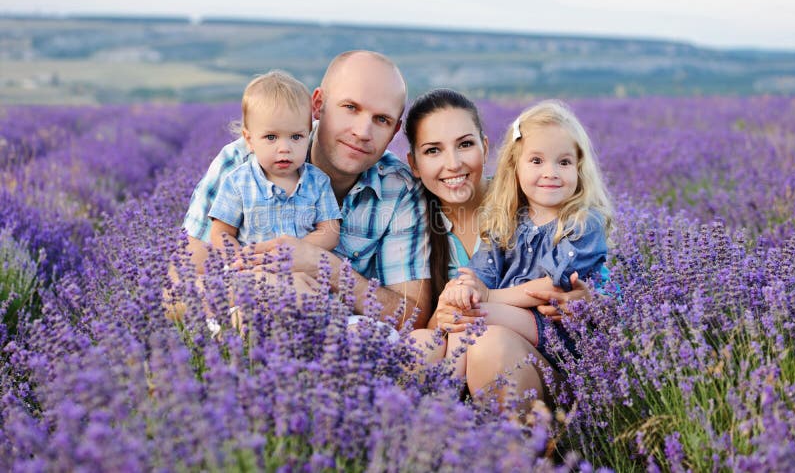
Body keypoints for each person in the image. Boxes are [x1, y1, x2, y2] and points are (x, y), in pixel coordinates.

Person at [183, 51, 431, 328]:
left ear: (395, 131)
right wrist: (264, 288)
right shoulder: (241, 163)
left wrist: (324, 267)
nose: (362, 131)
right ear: (318, 104)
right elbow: (177, 290)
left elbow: (413, 316)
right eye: (350, 107)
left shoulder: (399, 190)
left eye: (381, 119)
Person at [404, 90, 600, 409]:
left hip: (547, 342)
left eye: (465, 144)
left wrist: (595, 297)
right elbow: (480, 271)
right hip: (482, 339)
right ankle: (442, 408)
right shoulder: (501, 219)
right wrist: (460, 294)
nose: (452, 163)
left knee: (483, 328)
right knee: (421, 341)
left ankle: (452, 406)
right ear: (414, 163)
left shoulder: (573, 219)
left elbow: (577, 282)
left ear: (485, 146)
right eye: (433, 151)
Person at [439, 99, 613, 378]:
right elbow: (480, 273)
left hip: (558, 331)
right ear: (515, 167)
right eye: (536, 160)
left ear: (579, 169)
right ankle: (448, 390)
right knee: (466, 312)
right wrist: (463, 289)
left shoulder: (583, 222)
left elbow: (554, 287)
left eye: (564, 162)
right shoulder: (506, 221)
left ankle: (446, 391)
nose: (551, 172)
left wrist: (488, 296)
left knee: (476, 314)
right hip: (511, 324)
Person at [208, 71, 341, 261]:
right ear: (249, 140)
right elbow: (221, 233)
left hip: (302, 269)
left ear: (309, 135)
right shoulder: (238, 182)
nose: (285, 148)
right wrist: (240, 258)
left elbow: (330, 233)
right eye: (271, 137)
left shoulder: (318, 182)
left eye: (296, 137)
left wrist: (291, 251)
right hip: (253, 273)